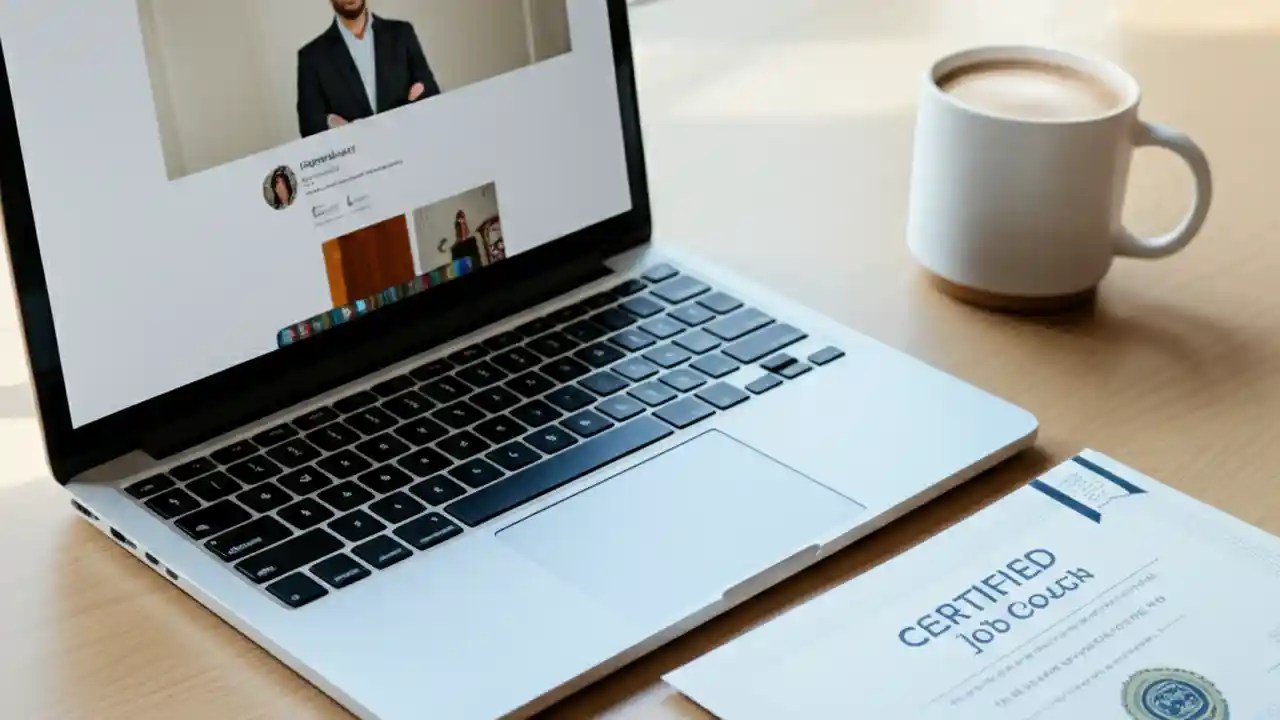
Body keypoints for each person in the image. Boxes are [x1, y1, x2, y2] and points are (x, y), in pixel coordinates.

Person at [297, 0, 441, 138]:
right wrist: (330, 122)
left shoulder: (402, 33)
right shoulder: (311, 57)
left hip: (409, 147)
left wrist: (421, 95)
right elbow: (309, 124)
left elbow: (431, 91)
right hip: (354, 160)